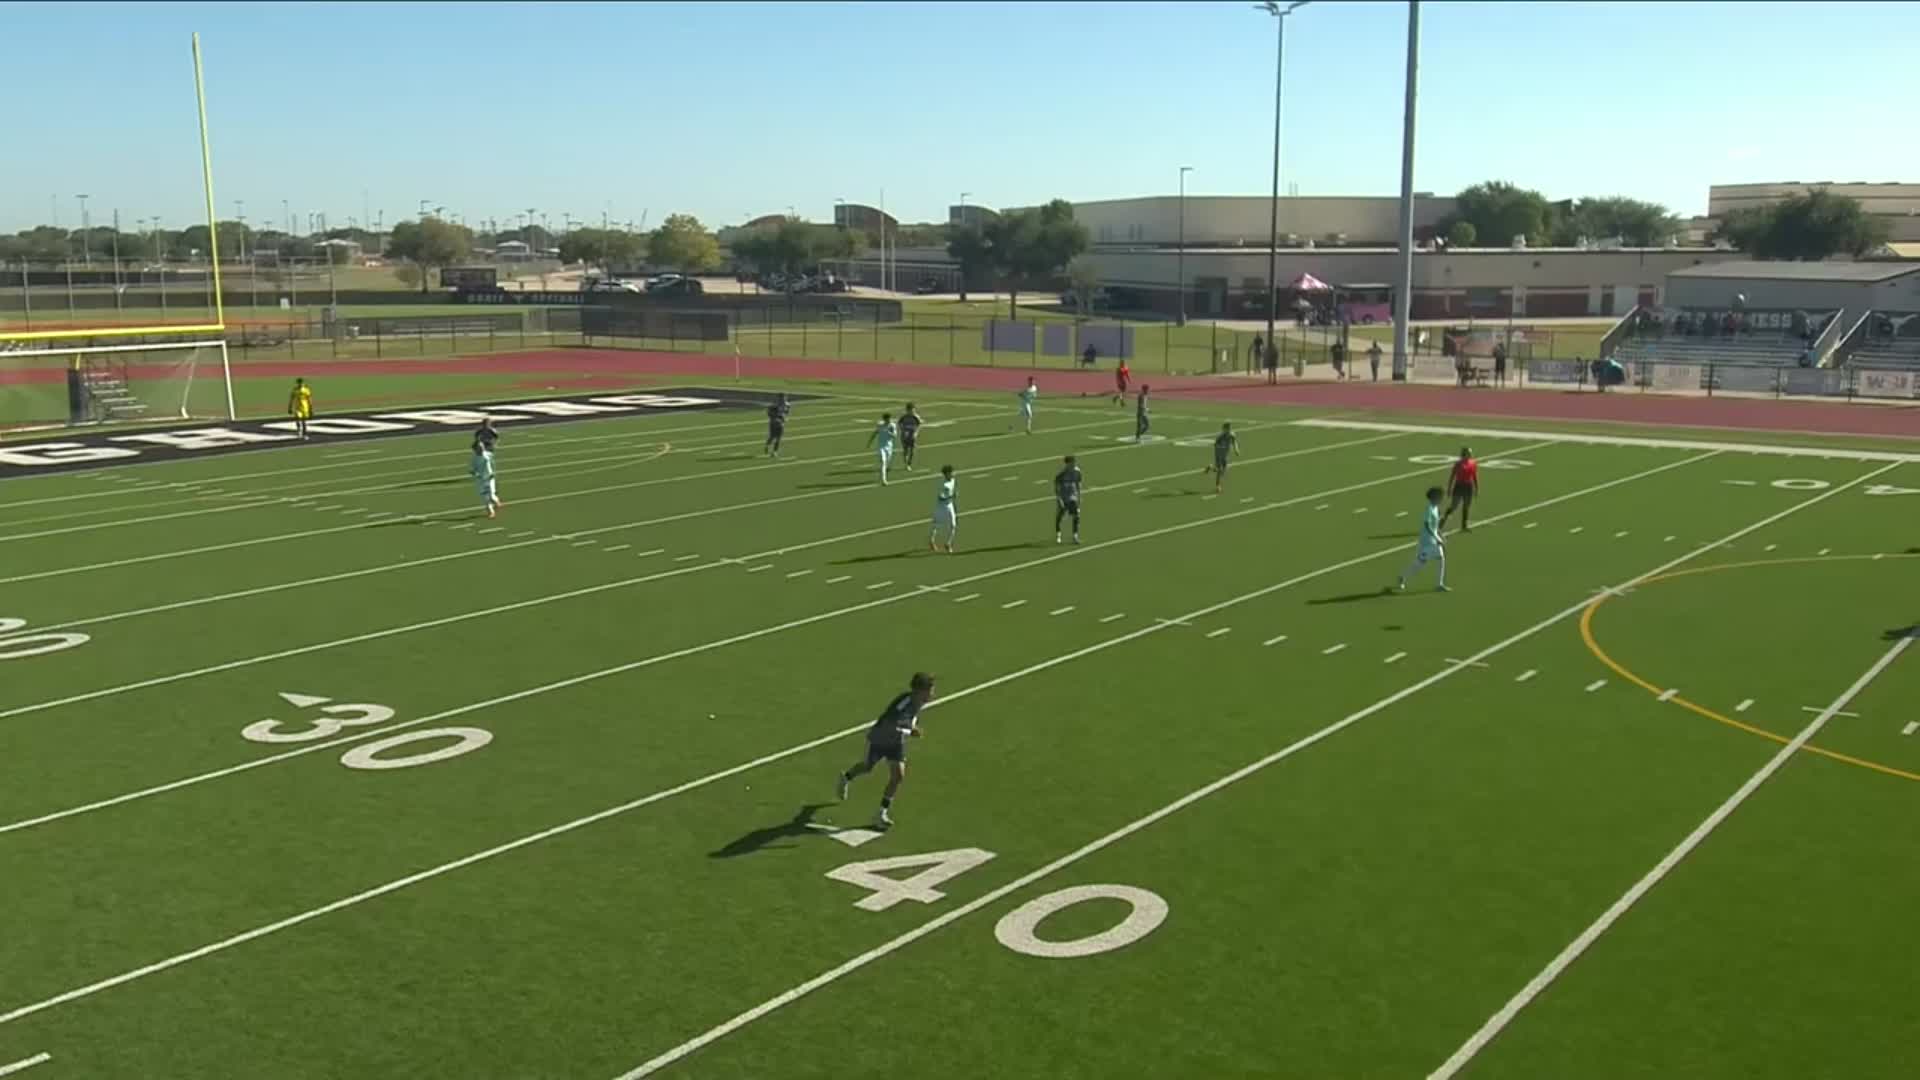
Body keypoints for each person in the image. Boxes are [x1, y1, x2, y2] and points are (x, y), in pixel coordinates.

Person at [836, 672, 936, 829]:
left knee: (898, 776)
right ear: (919, 690)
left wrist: (911, 727)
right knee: (867, 767)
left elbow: (909, 720)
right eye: (929, 690)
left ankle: (881, 813)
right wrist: (910, 732)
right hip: (879, 739)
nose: (932, 693)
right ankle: (846, 777)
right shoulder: (905, 702)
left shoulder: (919, 702)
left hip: (895, 742)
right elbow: (891, 723)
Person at [1395, 486, 1449, 593]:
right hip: (1427, 541)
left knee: (1441, 558)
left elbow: (1435, 526)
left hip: (1433, 540)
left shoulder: (1436, 508)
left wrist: (1441, 535)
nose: (1442, 499)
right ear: (1434, 497)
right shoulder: (1429, 509)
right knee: (1420, 563)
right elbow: (1427, 525)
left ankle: (1440, 584)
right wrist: (1436, 538)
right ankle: (1402, 577)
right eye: (1440, 497)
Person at [1439, 445, 1478, 532]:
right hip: (1459, 486)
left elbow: (1474, 476)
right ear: (1464, 454)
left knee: (1466, 506)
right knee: (1454, 506)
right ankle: (1443, 520)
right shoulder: (1458, 464)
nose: (1471, 454)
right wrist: (1449, 488)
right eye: (1469, 453)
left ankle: (1464, 525)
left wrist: (1476, 487)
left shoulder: (1473, 463)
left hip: (1468, 486)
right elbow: (1452, 476)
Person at [470, 436, 502, 519]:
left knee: (491, 495)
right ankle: (491, 512)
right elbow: (472, 469)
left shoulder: (488, 455)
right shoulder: (474, 458)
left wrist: (493, 472)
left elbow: (492, 464)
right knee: (485, 498)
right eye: (479, 447)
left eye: (482, 447)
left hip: (490, 477)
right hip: (481, 480)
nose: (481, 448)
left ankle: (497, 501)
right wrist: (475, 473)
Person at [1054, 454, 1083, 544]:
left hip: (1072, 497)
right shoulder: (1061, 475)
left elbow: (1078, 484)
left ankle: (1075, 536)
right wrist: (1059, 499)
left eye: (1073, 463)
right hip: (1064, 497)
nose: (1073, 465)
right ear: (1067, 464)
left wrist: (1079, 496)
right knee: (1060, 516)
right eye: (1071, 463)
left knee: (1076, 515)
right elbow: (1057, 488)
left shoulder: (1077, 472)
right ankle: (1058, 534)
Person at [928, 464, 957, 552]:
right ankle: (931, 541)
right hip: (941, 506)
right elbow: (941, 497)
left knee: (953, 525)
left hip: (950, 505)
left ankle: (948, 543)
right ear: (947, 473)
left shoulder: (953, 480)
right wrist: (952, 496)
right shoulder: (942, 484)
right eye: (951, 472)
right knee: (937, 525)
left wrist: (952, 495)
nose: (953, 473)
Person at [865, 412, 897, 486]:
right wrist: (869, 443)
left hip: (889, 446)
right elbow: (875, 433)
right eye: (887, 419)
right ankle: (884, 480)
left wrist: (889, 433)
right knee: (883, 461)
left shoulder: (892, 425)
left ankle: (883, 474)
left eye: (889, 419)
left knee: (887, 462)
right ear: (884, 419)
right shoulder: (880, 425)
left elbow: (895, 436)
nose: (889, 421)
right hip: (881, 446)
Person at [1208, 422, 1240, 494]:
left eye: (1230, 428)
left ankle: (1211, 467)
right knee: (1220, 470)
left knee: (1223, 470)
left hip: (1225, 454)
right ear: (1224, 429)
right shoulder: (1221, 436)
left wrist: (1236, 450)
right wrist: (1221, 447)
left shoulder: (1232, 435)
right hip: (1219, 454)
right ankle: (1218, 486)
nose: (1229, 430)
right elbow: (1215, 445)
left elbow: (1234, 442)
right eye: (1227, 428)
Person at [764, 393, 791, 457]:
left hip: (781, 423)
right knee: (772, 437)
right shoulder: (774, 405)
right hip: (773, 423)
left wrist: (784, 418)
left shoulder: (787, 405)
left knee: (779, 438)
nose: (783, 399)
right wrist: (774, 418)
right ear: (779, 398)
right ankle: (767, 445)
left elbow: (786, 413)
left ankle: (774, 451)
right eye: (781, 398)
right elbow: (769, 412)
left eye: (784, 398)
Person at [898, 403, 923, 470]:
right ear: (907, 410)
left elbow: (919, 425)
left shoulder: (916, 417)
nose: (912, 411)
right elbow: (899, 423)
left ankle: (909, 463)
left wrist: (916, 433)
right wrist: (903, 431)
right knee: (905, 450)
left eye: (913, 410)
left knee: (912, 451)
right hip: (905, 435)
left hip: (912, 435)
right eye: (910, 410)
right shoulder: (904, 416)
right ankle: (906, 464)